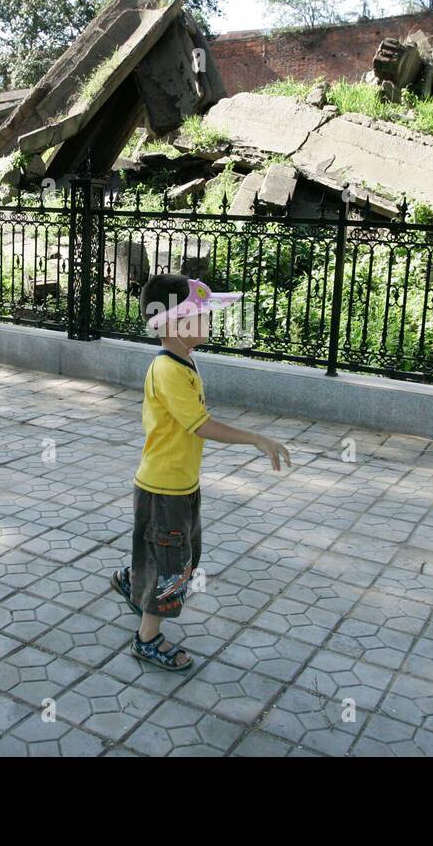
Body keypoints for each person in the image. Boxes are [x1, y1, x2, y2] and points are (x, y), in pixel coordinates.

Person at [109, 274, 291, 671]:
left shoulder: (184, 359)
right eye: (201, 314)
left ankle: (133, 580)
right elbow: (201, 424)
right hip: (165, 487)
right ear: (174, 323)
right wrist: (255, 438)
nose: (209, 321)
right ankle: (148, 638)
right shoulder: (169, 371)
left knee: (171, 550)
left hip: (176, 483)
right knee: (174, 567)